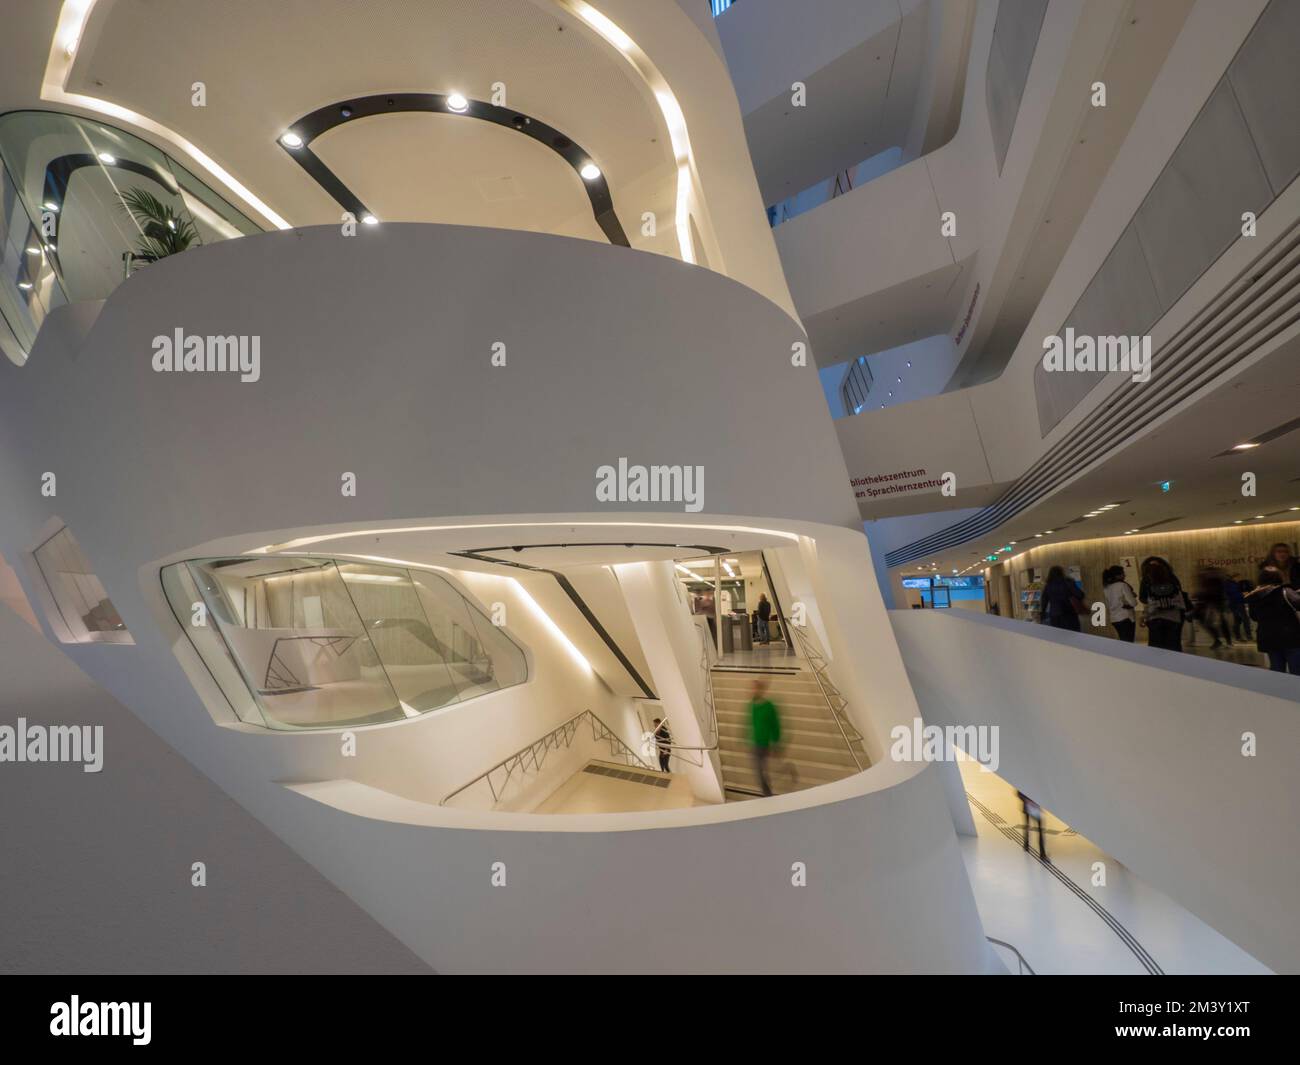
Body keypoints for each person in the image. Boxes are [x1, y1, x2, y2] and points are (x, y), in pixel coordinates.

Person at [1247, 569, 1300, 674]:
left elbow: (1254, 617)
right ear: (1279, 577)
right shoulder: (1285, 591)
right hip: (1290, 636)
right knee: (1296, 670)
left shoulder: (1254, 595)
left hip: (1268, 637)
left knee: (1277, 670)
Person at [1138, 556, 1186, 652]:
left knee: (1156, 649)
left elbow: (1143, 598)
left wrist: (1144, 615)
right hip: (1174, 617)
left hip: (1155, 617)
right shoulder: (1172, 578)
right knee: (1174, 646)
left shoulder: (1146, 580)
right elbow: (1180, 595)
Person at [748, 678, 782, 796]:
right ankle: (767, 794)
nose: (753, 690)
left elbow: (775, 725)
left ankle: (768, 795)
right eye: (752, 688)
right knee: (760, 772)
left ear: (761, 690)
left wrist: (776, 744)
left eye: (755, 688)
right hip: (754, 744)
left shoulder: (769, 706)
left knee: (760, 772)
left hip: (764, 745)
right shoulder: (752, 705)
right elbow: (749, 723)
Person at [1193, 566, 1233, 649]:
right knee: (1214, 622)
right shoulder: (1211, 579)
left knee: (1219, 622)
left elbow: (1214, 592)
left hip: (1214, 602)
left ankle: (1222, 641)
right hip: (1211, 603)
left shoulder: (1213, 580)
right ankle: (1222, 641)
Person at [1038, 565, 1083, 631]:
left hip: (1054, 616)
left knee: (1058, 637)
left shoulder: (1048, 586)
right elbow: (1080, 595)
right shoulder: (1068, 582)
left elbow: (1044, 601)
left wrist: (1042, 615)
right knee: (1073, 636)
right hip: (1069, 615)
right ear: (1061, 573)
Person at [1102, 565, 1137, 642]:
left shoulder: (1107, 587)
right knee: (1129, 643)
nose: (1124, 575)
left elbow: (1108, 604)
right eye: (1123, 573)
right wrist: (1133, 597)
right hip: (1126, 617)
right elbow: (1133, 603)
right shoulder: (1122, 585)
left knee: (1123, 641)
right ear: (1118, 575)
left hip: (1114, 619)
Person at [1017, 790, 1048, 861]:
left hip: (1036, 809)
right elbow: (1019, 793)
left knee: (1040, 831)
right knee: (1027, 826)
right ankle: (1026, 843)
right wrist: (1027, 801)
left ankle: (1042, 854)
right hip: (1028, 808)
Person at [1225, 573, 1252, 642]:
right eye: (1238, 577)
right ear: (1234, 578)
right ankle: (1248, 636)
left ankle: (1238, 636)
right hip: (1237, 604)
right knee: (1244, 620)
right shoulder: (1231, 585)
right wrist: (1242, 594)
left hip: (1237, 604)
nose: (1239, 579)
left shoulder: (1234, 584)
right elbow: (1234, 595)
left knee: (1238, 620)